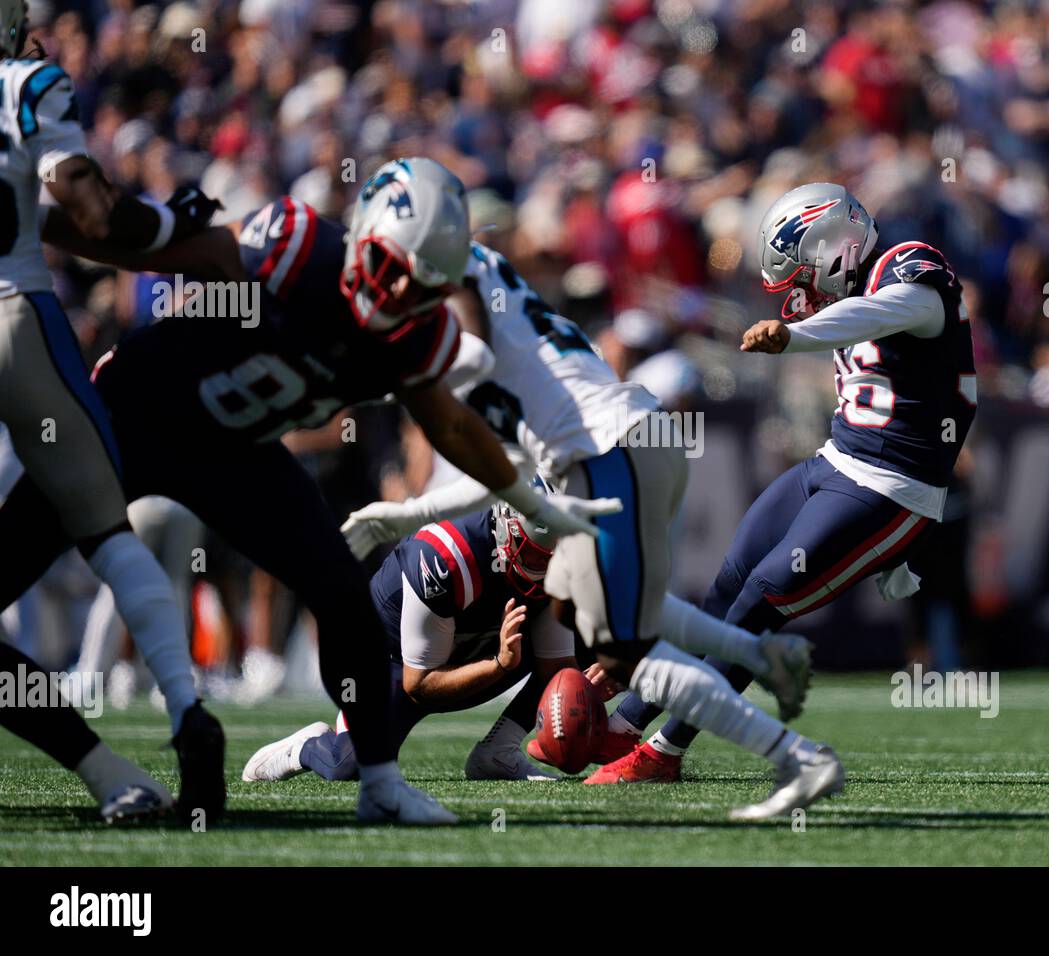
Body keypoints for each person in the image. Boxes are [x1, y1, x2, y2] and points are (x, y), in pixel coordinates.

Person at [1, 157, 618, 824]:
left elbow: (448, 422)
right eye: (390, 270)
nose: (398, 296)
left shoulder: (418, 332)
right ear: (364, 236)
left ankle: (380, 783)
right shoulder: (295, 249)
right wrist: (35, 226)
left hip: (235, 450)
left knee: (341, 592)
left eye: (419, 288)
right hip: (127, 422)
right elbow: (145, 240)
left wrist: (528, 501)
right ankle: (101, 765)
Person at [341, 234, 843, 820]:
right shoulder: (514, 325)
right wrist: (405, 514)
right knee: (609, 620)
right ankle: (755, 654)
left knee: (624, 643)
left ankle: (795, 754)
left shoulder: (477, 338)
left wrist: (407, 494)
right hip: (637, 443)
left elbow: (487, 421)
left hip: (609, 454)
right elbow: (504, 477)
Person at [593, 182, 977, 783]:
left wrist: (795, 336)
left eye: (803, 276)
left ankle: (664, 751)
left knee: (762, 598)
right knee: (728, 582)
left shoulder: (909, 268)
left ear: (834, 249)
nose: (800, 296)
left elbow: (879, 312)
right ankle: (620, 725)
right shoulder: (855, 289)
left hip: (891, 487)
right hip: (833, 463)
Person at [0, 0, 223, 819]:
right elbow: (91, 211)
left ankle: (104, 767)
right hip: (14, 319)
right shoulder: (27, 83)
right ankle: (185, 711)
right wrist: (171, 220)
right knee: (107, 530)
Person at [243, 498, 610, 783]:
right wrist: (498, 664)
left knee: (589, 642)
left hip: (467, 646)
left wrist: (578, 701)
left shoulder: (561, 565)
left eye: (553, 557)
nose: (542, 569)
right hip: (390, 660)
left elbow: (557, 670)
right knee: (350, 765)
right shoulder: (446, 557)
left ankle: (498, 751)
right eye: (532, 554)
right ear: (506, 530)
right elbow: (419, 686)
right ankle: (307, 746)